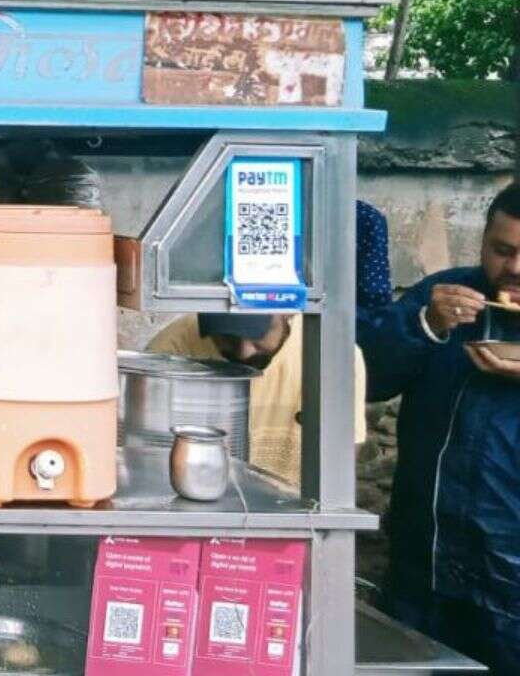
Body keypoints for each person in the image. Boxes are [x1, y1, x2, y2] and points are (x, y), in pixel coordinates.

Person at [357, 181, 520, 675]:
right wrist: (426, 325)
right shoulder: (446, 295)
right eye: (503, 250)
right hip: (424, 574)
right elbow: (370, 377)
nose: (514, 269)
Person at [145, 310, 366, 489]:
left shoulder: (331, 354)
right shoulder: (172, 349)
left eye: (258, 335)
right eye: (227, 337)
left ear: (287, 313)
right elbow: (144, 458)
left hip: (292, 516)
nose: (244, 352)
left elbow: (341, 460)